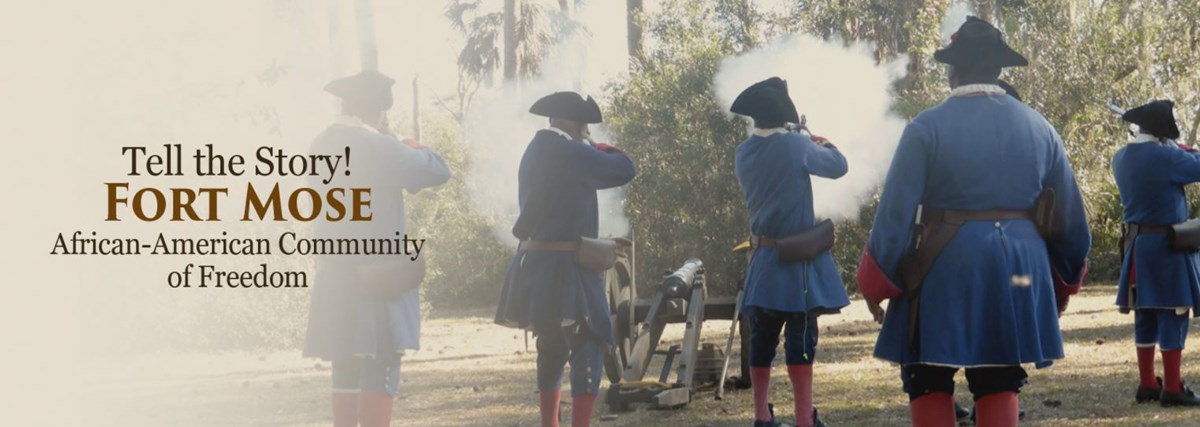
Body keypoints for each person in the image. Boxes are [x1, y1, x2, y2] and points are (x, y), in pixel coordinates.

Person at [856, 16, 1091, 427]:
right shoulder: (1041, 128)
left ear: (954, 70)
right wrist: (1065, 280)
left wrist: (876, 279)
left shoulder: (925, 127)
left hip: (943, 265)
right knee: (999, 373)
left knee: (926, 373)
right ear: (1000, 70)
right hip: (1019, 269)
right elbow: (1071, 225)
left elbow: (895, 215)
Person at [303, 69, 452, 427]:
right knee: (379, 365)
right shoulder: (379, 145)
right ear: (378, 111)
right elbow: (438, 171)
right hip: (374, 281)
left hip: (334, 278)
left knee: (345, 367)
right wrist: (407, 142)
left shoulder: (320, 144)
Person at [494, 91, 636, 427]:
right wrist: (599, 147)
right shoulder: (570, 151)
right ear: (574, 122)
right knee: (589, 344)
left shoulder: (536, 149)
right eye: (585, 123)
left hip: (538, 266)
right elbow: (625, 169)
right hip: (568, 267)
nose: (588, 128)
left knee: (551, 348)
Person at [731, 77, 848, 427]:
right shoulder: (796, 146)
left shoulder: (744, 151)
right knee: (802, 339)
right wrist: (815, 138)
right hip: (795, 263)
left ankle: (761, 416)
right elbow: (838, 165)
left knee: (762, 340)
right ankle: (804, 419)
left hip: (763, 260)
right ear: (786, 117)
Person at [1112, 99, 1200, 407]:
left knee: (1145, 314)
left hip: (1137, 247)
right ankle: (1173, 388)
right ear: (1163, 133)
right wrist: (1184, 150)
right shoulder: (1167, 158)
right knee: (1174, 313)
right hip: (1167, 247)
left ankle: (1147, 383)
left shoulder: (1120, 157)